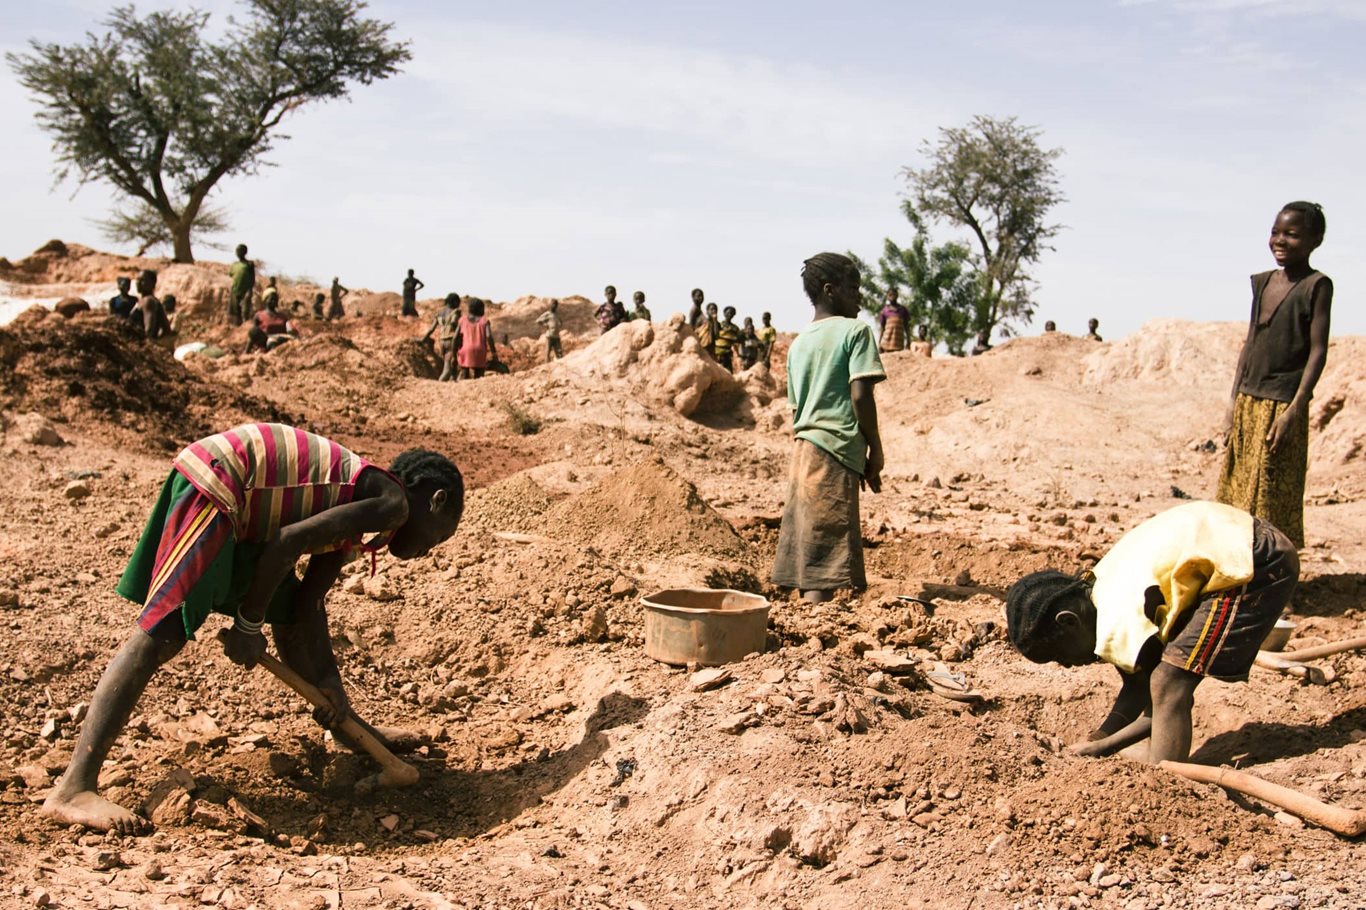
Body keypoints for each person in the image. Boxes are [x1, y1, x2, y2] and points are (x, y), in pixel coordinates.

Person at [40, 424, 465, 834]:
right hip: (221, 483)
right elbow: (284, 543)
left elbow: (306, 606)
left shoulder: (363, 504)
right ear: (436, 500)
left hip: (239, 504)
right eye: (438, 539)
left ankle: (350, 733)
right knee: (162, 634)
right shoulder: (391, 503)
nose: (427, 551)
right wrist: (247, 624)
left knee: (284, 609)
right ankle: (74, 787)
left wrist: (331, 689)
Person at [1004, 501, 1298, 764]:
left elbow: (1162, 692)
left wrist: (1102, 748)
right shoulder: (1103, 589)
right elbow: (1137, 688)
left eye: (1059, 656)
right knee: (1164, 681)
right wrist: (1100, 738)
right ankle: (1161, 759)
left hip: (1255, 565)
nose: (1067, 665)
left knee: (1169, 682)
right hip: (1244, 538)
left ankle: (1166, 784)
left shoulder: (1121, 620)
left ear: (1068, 622)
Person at [1216, 201, 1332, 550]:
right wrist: (1232, 403)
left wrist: (1295, 409)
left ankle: (1275, 574)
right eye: (1275, 232)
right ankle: (1237, 568)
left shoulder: (1316, 286)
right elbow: (1251, 342)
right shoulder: (1263, 284)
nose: (1280, 240)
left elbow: (1318, 351)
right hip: (1249, 400)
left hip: (1282, 404)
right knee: (1237, 491)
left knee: (1272, 494)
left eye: (1292, 234)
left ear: (1316, 241)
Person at [772, 252, 886, 604]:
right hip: (836, 450)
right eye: (854, 288)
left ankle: (810, 619)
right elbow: (860, 395)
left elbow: (797, 408)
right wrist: (875, 449)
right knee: (827, 547)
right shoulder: (856, 331)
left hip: (804, 449)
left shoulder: (799, 343)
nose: (860, 297)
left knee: (810, 543)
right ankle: (817, 632)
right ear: (830, 290)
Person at [422, 293, 462, 381]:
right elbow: (453, 322)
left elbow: (431, 329)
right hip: (451, 341)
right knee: (447, 369)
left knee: (451, 367)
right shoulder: (455, 311)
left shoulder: (439, 313)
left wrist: (422, 340)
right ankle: (439, 384)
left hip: (442, 342)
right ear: (455, 301)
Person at [454, 297, 497, 380]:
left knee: (464, 372)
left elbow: (455, 337)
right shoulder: (484, 321)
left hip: (465, 350)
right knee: (479, 375)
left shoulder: (462, 320)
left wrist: (453, 354)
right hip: (480, 350)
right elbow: (489, 336)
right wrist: (494, 353)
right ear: (481, 309)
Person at [130, 269, 173, 343]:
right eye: (138, 280)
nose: (138, 283)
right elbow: (167, 328)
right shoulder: (145, 300)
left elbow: (149, 330)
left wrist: (145, 344)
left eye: (143, 280)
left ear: (152, 283)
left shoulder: (148, 301)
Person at [228, 244, 255, 326]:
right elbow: (231, 275)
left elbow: (252, 278)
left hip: (245, 291)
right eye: (237, 251)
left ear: (245, 252)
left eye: (240, 251)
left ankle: (245, 327)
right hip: (235, 290)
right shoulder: (234, 265)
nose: (238, 253)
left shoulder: (249, 264)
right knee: (236, 311)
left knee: (245, 310)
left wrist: (250, 290)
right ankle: (236, 327)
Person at [877, 287, 911, 353]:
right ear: (887, 296)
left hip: (899, 344)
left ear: (897, 295)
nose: (892, 296)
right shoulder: (884, 310)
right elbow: (882, 328)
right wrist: (879, 343)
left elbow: (907, 327)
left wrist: (909, 341)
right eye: (890, 295)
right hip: (886, 343)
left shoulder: (903, 310)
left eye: (894, 294)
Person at [713, 305, 743, 372]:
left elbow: (736, 342)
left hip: (727, 354)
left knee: (728, 373)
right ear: (724, 313)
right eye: (728, 313)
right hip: (717, 352)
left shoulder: (735, 328)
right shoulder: (719, 325)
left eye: (732, 313)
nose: (730, 315)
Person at [536, 298, 564, 363]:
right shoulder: (547, 314)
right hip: (550, 336)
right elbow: (538, 321)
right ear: (550, 305)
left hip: (556, 336)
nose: (554, 306)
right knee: (547, 353)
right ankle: (546, 367)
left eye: (555, 304)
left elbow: (560, 322)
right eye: (553, 304)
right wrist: (545, 324)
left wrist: (558, 325)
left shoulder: (557, 315)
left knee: (559, 353)